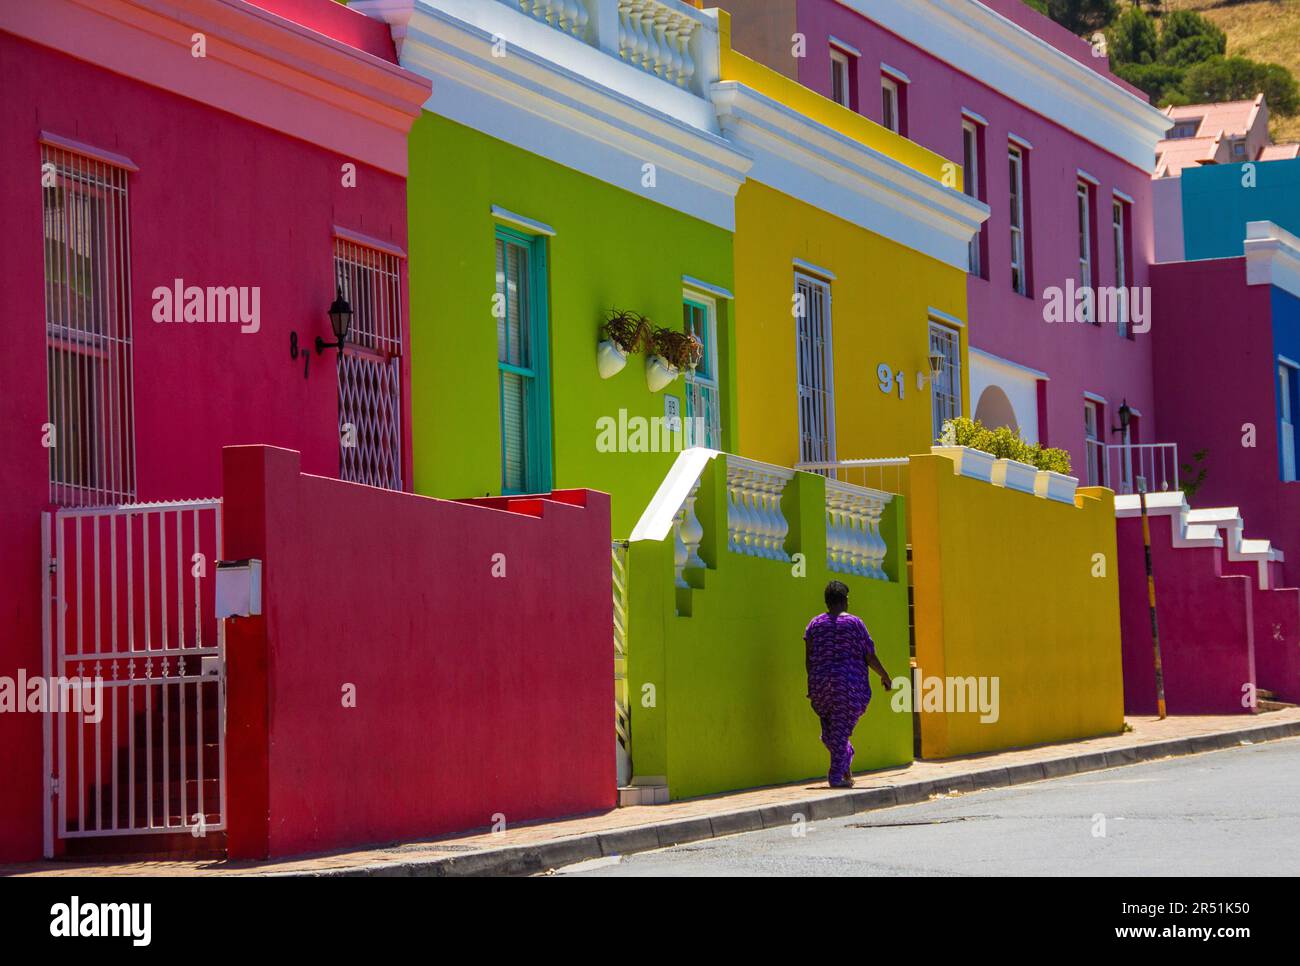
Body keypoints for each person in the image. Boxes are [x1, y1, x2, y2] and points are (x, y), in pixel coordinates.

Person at [803, 580, 892, 788]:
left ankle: (846, 766)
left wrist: (812, 683)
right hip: (848, 687)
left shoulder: (814, 625)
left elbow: (808, 659)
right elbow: (869, 656)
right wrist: (885, 676)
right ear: (845, 600)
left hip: (821, 686)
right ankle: (835, 777)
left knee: (830, 733)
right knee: (838, 734)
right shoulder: (854, 624)